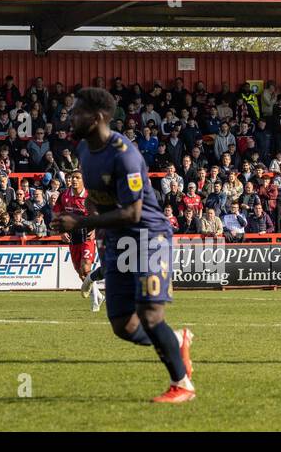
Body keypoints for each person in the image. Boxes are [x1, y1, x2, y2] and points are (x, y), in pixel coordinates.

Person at [52, 87, 195, 404]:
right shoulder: (85, 151)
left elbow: (134, 211)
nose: (71, 116)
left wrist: (82, 224)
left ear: (98, 117)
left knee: (149, 314)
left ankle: (182, 384)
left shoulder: (124, 153)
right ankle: (176, 339)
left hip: (147, 235)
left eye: (77, 111)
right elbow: (97, 198)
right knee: (123, 325)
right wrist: (86, 218)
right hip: (118, 238)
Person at [54, 170, 101, 301]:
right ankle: (97, 295)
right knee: (80, 272)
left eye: (77, 178)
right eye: (72, 177)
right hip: (73, 236)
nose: (74, 180)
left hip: (87, 235)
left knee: (86, 267)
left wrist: (96, 230)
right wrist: (62, 231)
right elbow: (58, 214)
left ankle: (95, 298)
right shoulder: (64, 195)